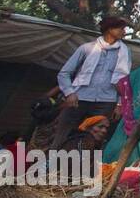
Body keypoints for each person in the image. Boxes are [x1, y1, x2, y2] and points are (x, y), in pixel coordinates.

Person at [51, 15, 131, 150]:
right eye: (121, 28)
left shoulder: (125, 52)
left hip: (106, 102)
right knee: (63, 135)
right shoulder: (86, 48)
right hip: (78, 98)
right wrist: (70, 93)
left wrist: (119, 104)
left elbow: (123, 81)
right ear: (109, 29)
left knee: (94, 139)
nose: (124, 32)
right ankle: (52, 168)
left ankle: (83, 169)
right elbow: (64, 73)